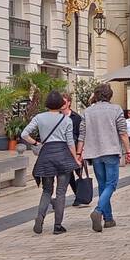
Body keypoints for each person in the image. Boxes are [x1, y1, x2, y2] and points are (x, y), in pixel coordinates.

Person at [22, 91, 80, 235]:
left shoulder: (39, 118)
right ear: (61, 103)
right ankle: (57, 226)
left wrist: (36, 142)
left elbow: (24, 134)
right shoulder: (66, 120)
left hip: (46, 155)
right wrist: (76, 158)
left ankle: (40, 218)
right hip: (63, 156)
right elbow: (70, 142)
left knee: (47, 191)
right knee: (61, 193)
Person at [76, 83, 130, 233]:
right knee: (111, 184)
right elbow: (123, 133)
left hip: (94, 153)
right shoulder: (116, 109)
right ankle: (99, 210)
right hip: (111, 151)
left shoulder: (87, 111)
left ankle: (108, 219)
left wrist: (79, 154)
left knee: (102, 185)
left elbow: (82, 135)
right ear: (110, 95)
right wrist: (128, 150)